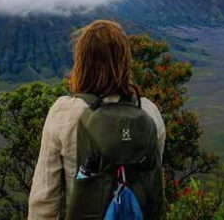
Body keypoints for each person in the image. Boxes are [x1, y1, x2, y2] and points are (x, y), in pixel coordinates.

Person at [28, 19, 166, 220]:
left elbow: (44, 200)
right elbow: (153, 180)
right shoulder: (149, 112)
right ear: (124, 61)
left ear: (82, 61)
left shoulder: (63, 112)